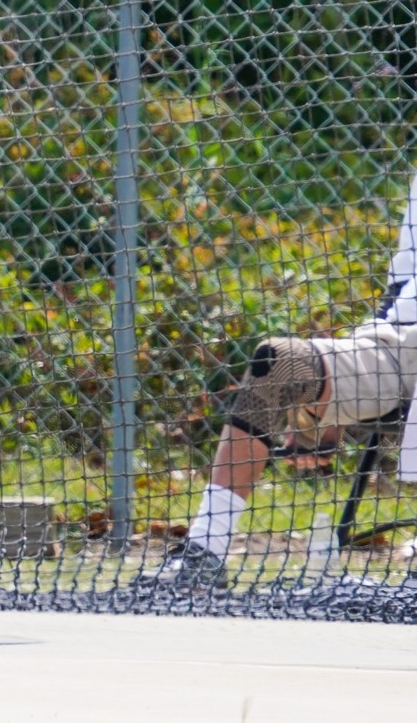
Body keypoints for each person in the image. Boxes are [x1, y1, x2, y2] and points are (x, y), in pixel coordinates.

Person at [144, 170, 417, 590]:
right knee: (283, 363)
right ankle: (204, 552)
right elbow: (400, 288)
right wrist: (326, 408)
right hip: (401, 344)